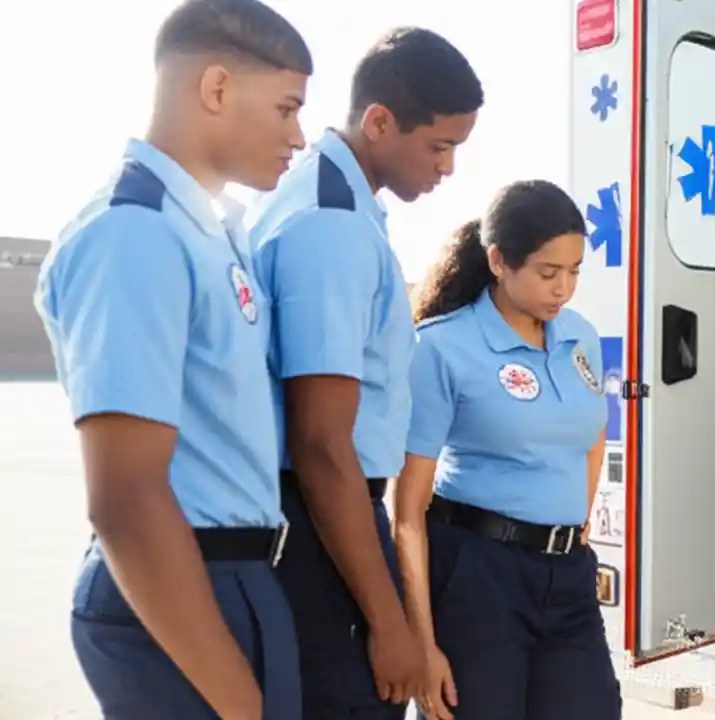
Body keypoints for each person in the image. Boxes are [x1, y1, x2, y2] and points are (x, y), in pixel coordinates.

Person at [32, 1, 311, 718]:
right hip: (180, 584)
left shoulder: (209, 230)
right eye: (285, 109)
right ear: (216, 88)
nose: (298, 136)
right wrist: (237, 699)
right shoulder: (135, 234)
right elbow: (126, 497)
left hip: (235, 575)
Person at [246, 26, 484, 719]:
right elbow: (322, 445)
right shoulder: (332, 225)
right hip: (321, 526)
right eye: (438, 146)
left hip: (317, 516)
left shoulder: (327, 201)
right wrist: (388, 622)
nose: (448, 168)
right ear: (379, 122)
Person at [392, 180, 620, 720]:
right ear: (498, 261)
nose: (564, 289)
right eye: (548, 272)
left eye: (575, 271)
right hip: (479, 575)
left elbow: (592, 433)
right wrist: (422, 643)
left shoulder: (580, 336)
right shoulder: (442, 347)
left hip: (566, 575)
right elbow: (406, 516)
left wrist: (574, 524)